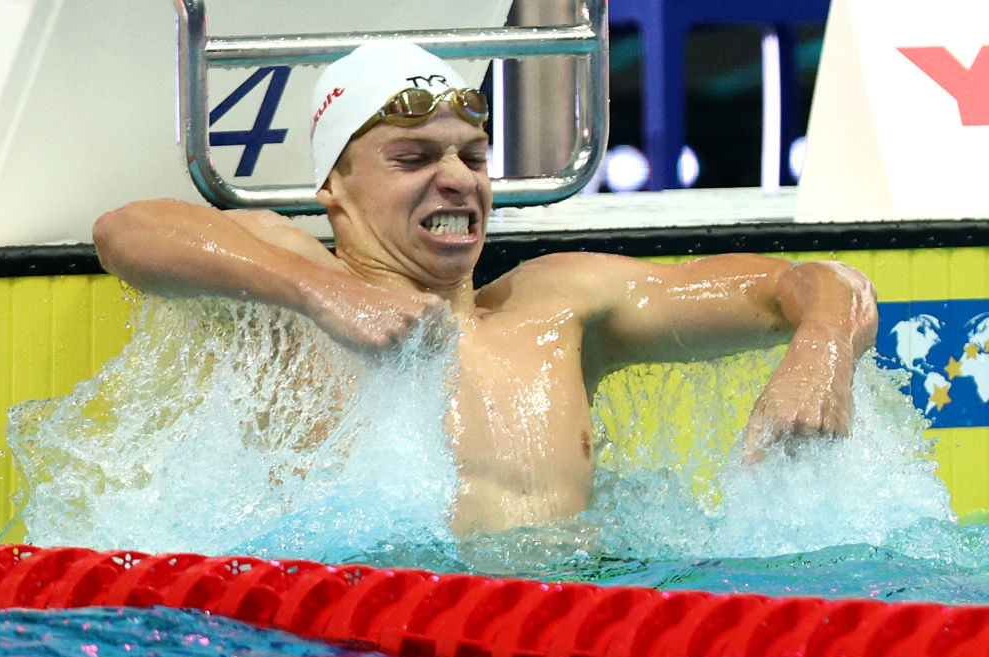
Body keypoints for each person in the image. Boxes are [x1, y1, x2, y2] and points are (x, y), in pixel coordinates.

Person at [93, 41, 878, 535]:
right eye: (413, 159)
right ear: (334, 186)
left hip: (566, 635)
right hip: (361, 645)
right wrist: (318, 293)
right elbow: (126, 231)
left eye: (472, 156)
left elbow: (814, 284)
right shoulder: (294, 291)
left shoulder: (558, 307)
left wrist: (822, 346)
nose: (457, 179)